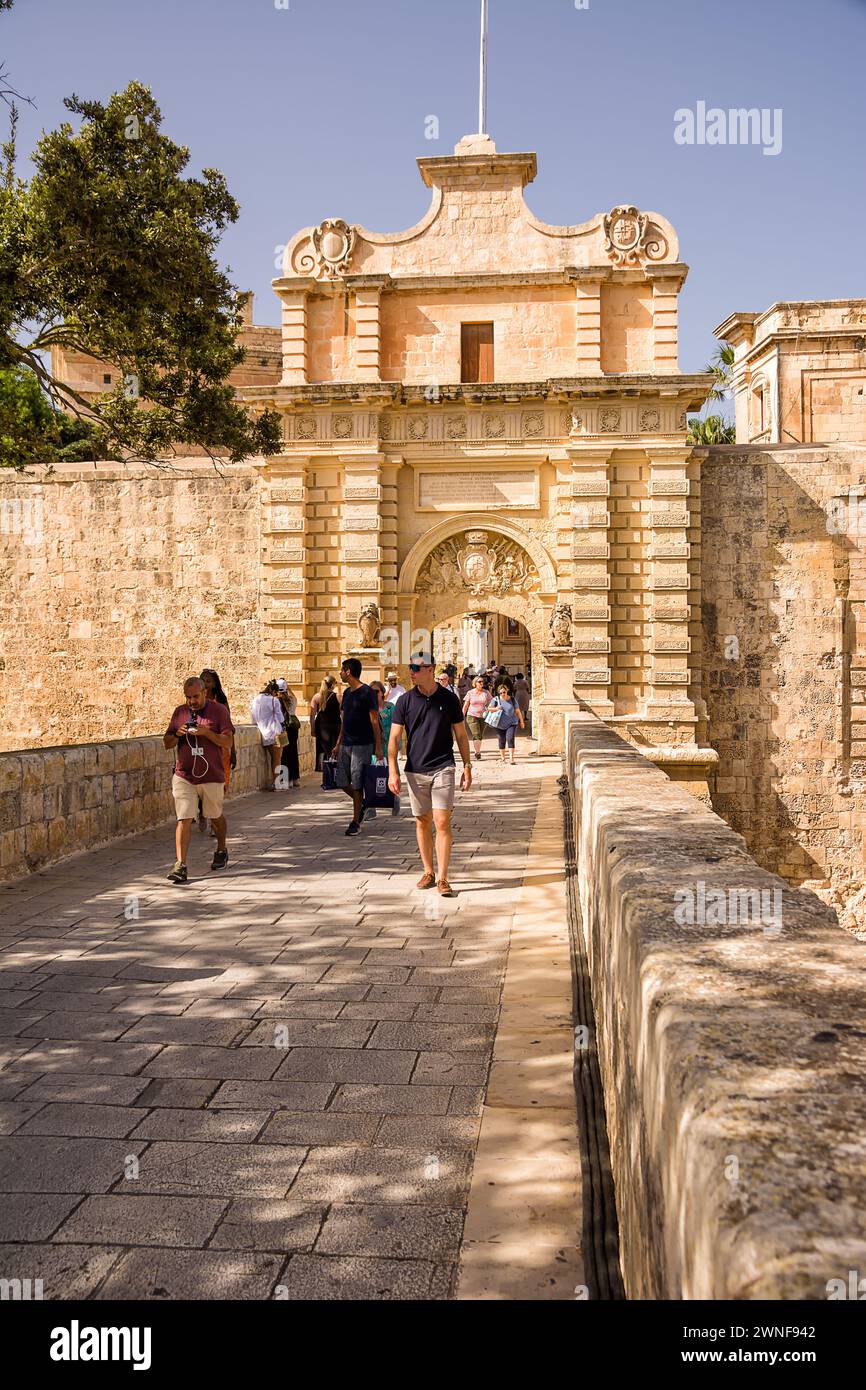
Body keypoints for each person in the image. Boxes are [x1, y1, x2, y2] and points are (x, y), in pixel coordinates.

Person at [388, 649, 472, 897]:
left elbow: (461, 735)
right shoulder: (404, 701)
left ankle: (443, 877)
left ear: (430, 670)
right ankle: (428, 871)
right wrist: (393, 771)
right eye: (410, 668)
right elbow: (394, 738)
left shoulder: (449, 699)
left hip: (443, 766)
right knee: (422, 821)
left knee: (442, 821)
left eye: (416, 668)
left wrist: (467, 765)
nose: (411, 673)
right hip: (415, 769)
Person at [164, 676, 234, 883]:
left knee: (215, 815)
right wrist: (177, 734)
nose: (192, 701)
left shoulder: (219, 712)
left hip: (211, 774)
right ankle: (181, 865)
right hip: (184, 774)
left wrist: (206, 733)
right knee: (184, 818)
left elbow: (228, 741)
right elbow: (167, 742)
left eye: (195, 696)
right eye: (188, 697)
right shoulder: (180, 713)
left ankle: (221, 848)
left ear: (204, 692)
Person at [333, 657, 382, 836]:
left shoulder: (367, 692)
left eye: (342, 670)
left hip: (363, 744)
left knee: (357, 782)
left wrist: (378, 747)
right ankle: (361, 804)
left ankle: (355, 821)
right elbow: (343, 720)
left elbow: (374, 720)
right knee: (341, 781)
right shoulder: (346, 693)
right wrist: (338, 743)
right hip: (346, 743)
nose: (340, 673)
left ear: (349, 672)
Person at [198, 667, 236, 836]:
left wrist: (232, 750)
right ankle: (203, 813)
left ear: (214, 683)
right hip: (201, 749)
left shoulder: (221, 701)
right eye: (202, 680)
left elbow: (229, 728)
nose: (205, 683)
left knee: (219, 785)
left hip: (220, 749)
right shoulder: (195, 700)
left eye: (208, 681)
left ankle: (214, 820)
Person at [250, 680, 285, 790]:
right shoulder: (274, 700)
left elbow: (253, 718)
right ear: (274, 691)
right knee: (277, 759)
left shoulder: (256, 699)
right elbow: (281, 718)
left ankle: (275, 782)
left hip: (264, 733)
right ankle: (277, 783)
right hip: (275, 733)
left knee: (272, 758)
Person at [489, 682, 525, 766]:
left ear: (507, 691)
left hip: (512, 723)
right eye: (500, 693)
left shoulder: (512, 699)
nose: (502, 694)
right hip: (499, 724)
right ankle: (503, 757)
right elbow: (489, 709)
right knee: (501, 740)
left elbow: (517, 711)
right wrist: (496, 708)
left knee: (510, 738)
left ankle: (512, 759)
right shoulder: (495, 699)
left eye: (504, 692)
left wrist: (521, 721)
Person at [310, 675, 341, 771]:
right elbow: (343, 714)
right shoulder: (338, 697)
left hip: (321, 727)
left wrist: (313, 729)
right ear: (332, 685)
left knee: (322, 750)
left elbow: (312, 716)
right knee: (334, 750)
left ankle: (323, 771)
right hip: (335, 727)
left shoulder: (316, 697)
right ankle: (333, 773)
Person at [462, 674, 493, 761]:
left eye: (482, 682)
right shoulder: (470, 693)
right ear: (475, 683)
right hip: (472, 716)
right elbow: (465, 706)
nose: (481, 683)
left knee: (480, 735)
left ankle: (477, 750)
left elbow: (491, 703)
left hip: (483, 716)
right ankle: (477, 752)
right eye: (479, 682)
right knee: (476, 734)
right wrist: (461, 717)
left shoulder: (486, 692)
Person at [277, 677, 301, 787]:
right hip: (294, 728)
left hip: (285, 728)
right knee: (293, 752)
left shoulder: (278, 701)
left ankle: (286, 780)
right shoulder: (293, 699)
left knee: (285, 754)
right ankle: (295, 778)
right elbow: (293, 695)